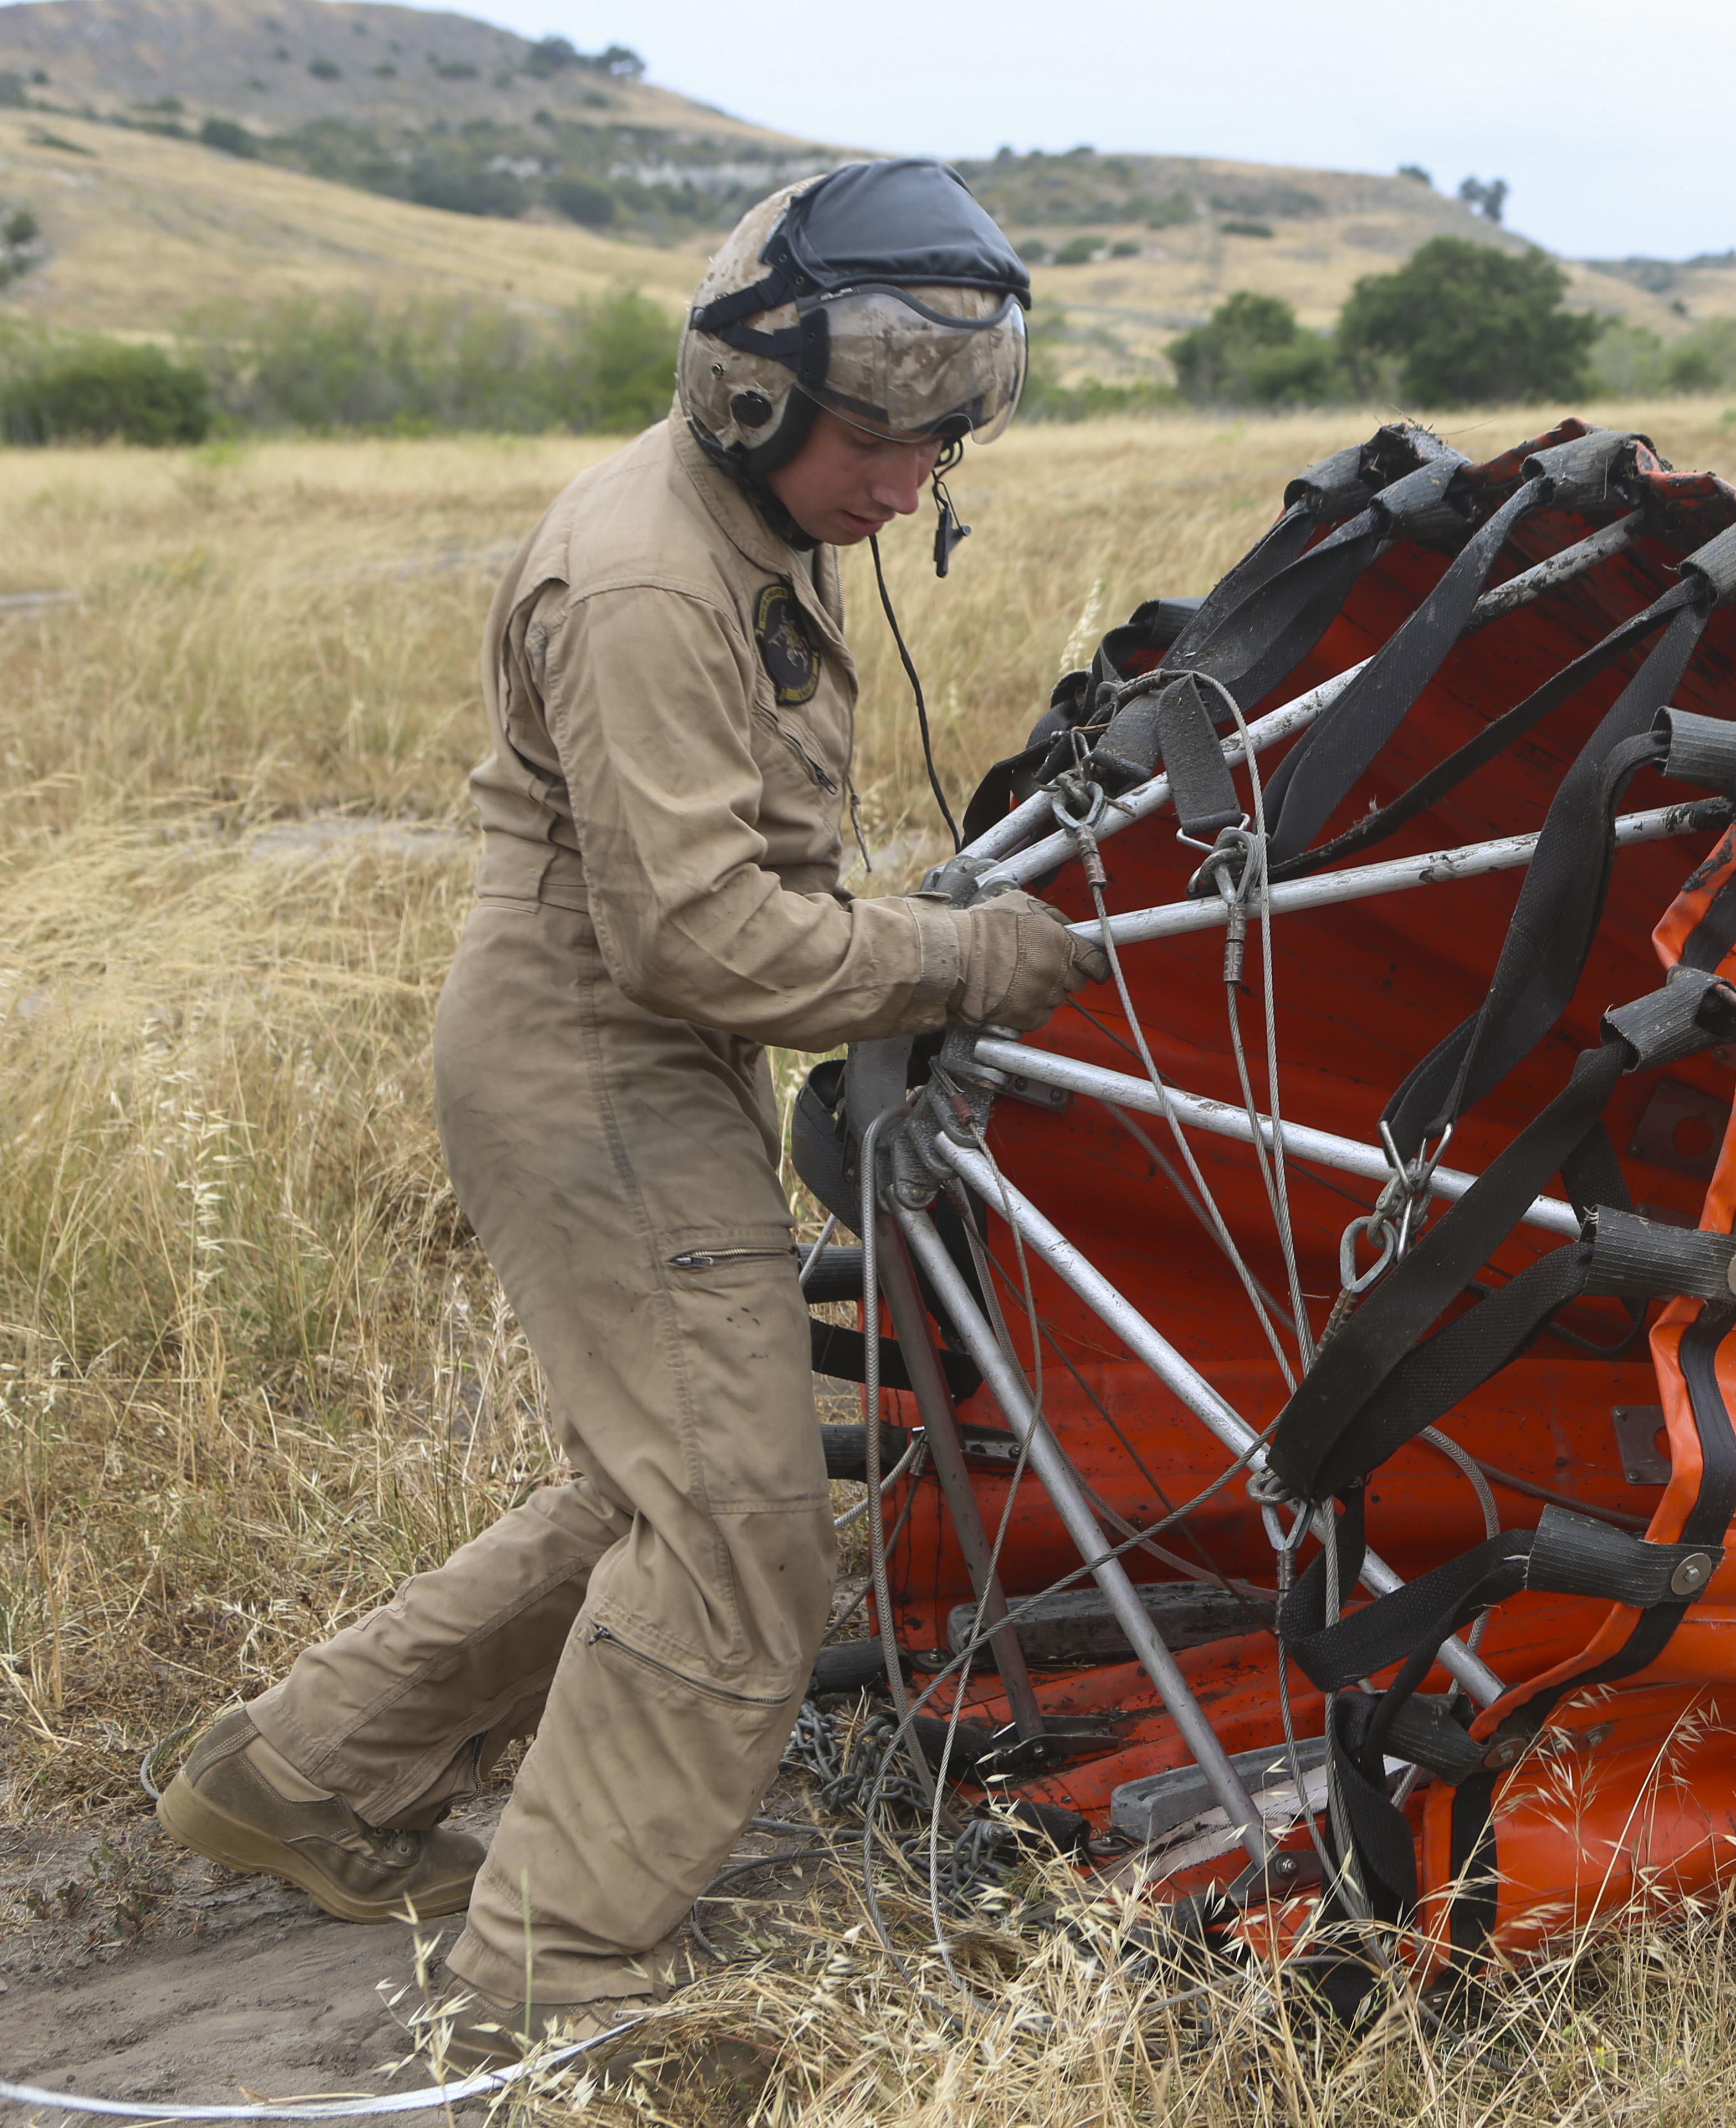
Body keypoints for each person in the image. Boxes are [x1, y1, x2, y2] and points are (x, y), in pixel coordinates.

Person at [153, 158, 1098, 2069]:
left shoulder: (752, 527)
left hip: (632, 1048)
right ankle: (553, 1989)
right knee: (740, 1521)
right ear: (753, 394)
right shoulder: (659, 573)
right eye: (882, 438)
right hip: (601, 1051)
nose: (911, 482)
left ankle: (302, 1779)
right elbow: (700, 941)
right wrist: (968, 961)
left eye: (940, 443)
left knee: (651, 1478)